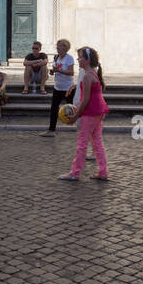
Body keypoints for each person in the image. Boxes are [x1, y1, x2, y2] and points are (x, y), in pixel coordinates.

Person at [59, 46, 109, 182]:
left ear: (87, 60)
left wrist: (75, 116)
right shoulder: (93, 72)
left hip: (90, 112)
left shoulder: (87, 76)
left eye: (80, 57)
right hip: (98, 111)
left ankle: (75, 172)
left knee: (82, 144)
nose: (78, 59)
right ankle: (103, 171)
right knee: (97, 142)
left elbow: (85, 99)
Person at [42, 39, 76, 135]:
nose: (57, 47)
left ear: (65, 48)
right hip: (57, 87)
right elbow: (56, 69)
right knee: (54, 109)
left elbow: (71, 72)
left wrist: (59, 70)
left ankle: (79, 126)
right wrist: (53, 71)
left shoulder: (69, 58)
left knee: (72, 108)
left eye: (60, 45)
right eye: (57, 45)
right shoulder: (56, 57)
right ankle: (51, 129)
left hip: (68, 88)